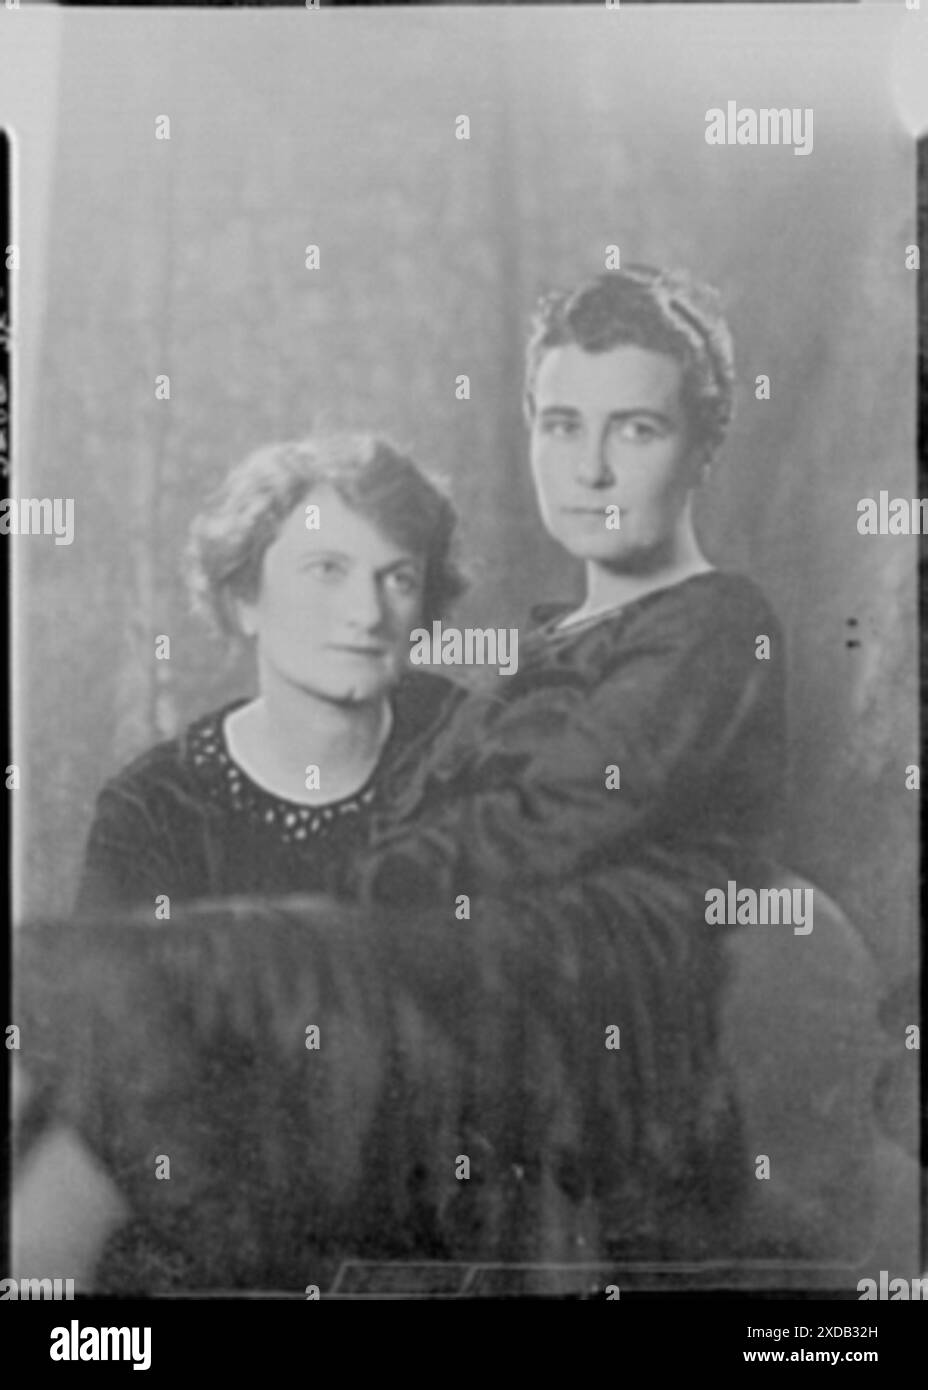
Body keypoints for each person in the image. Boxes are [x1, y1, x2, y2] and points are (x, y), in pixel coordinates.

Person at [14, 266, 788, 1292]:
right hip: (466, 973)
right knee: (100, 1027)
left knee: (151, 988)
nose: (590, 467)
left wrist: (350, 897)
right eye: (561, 424)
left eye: (635, 429)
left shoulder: (715, 620)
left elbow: (543, 818)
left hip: (567, 1006)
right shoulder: (543, 648)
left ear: (702, 445)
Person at [73, 433, 467, 914]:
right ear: (244, 598)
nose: (367, 613)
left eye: (399, 579)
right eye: (327, 570)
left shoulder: (478, 759)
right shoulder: (155, 812)